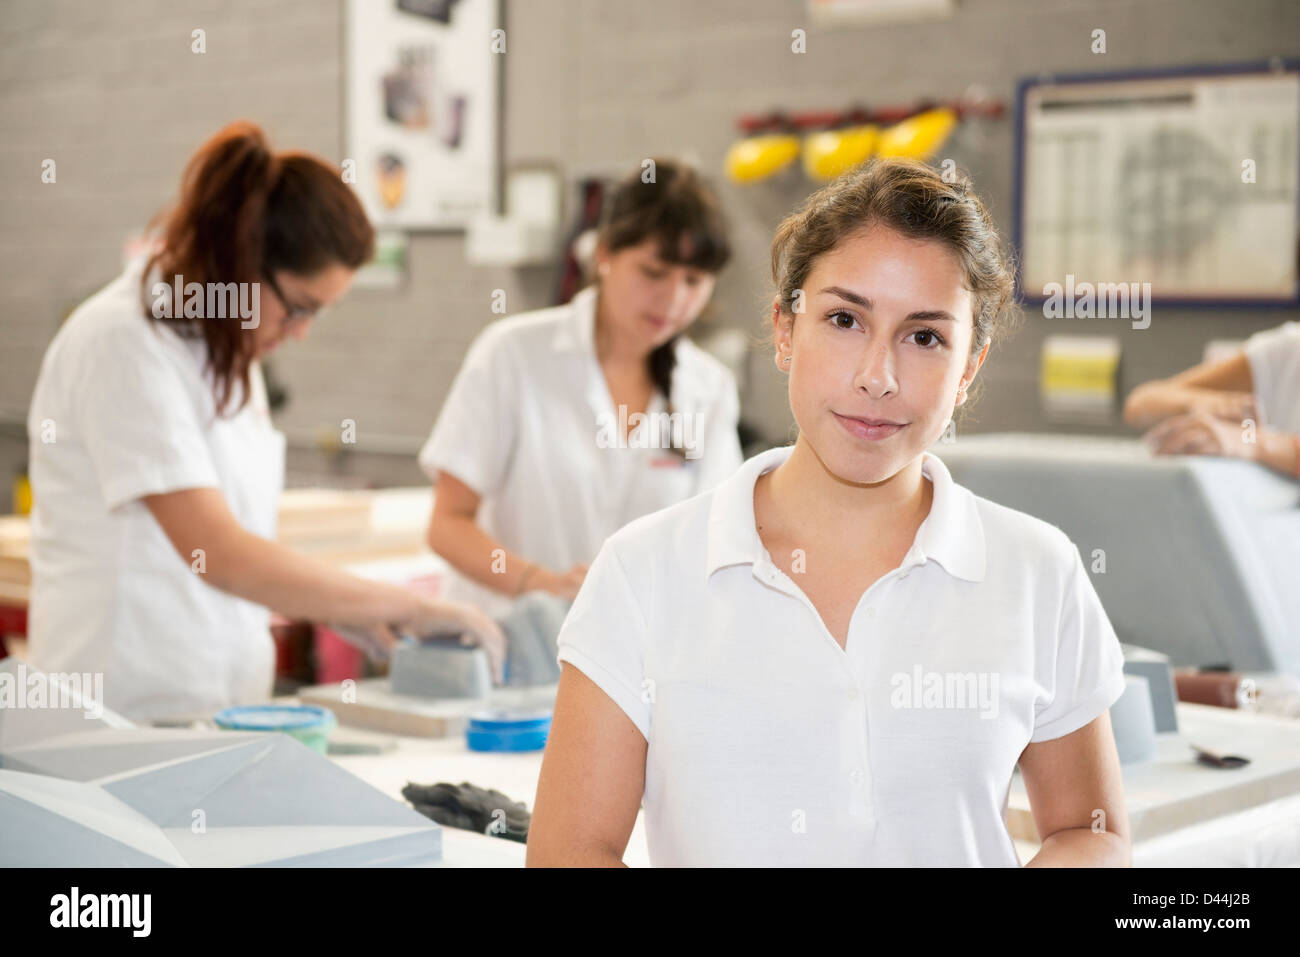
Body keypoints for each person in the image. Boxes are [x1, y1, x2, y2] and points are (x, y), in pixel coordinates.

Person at [527, 158, 1131, 867]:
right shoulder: (643, 571)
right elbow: (569, 853)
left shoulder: (1038, 570)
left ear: (969, 369)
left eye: (925, 336)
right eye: (845, 319)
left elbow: (1089, 831)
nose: (878, 376)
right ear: (785, 329)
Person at [26, 121, 502, 722]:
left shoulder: (228, 348)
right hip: (114, 716)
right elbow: (218, 550)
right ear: (239, 262)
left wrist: (338, 608)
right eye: (299, 307)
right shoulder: (122, 344)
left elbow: (247, 540)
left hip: (216, 709)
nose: (301, 332)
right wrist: (397, 604)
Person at [420, 159, 744, 621]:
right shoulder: (513, 355)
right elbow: (447, 525)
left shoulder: (708, 387)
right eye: (653, 272)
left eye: (693, 281)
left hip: (631, 662)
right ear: (604, 254)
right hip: (506, 648)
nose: (674, 300)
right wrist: (542, 585)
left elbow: (713, 540)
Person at [1123, 322, 1300, 478]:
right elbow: (1140, 403)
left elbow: (1250, 439)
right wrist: (1203, 403)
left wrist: (1252, 442)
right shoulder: (1288, 352)